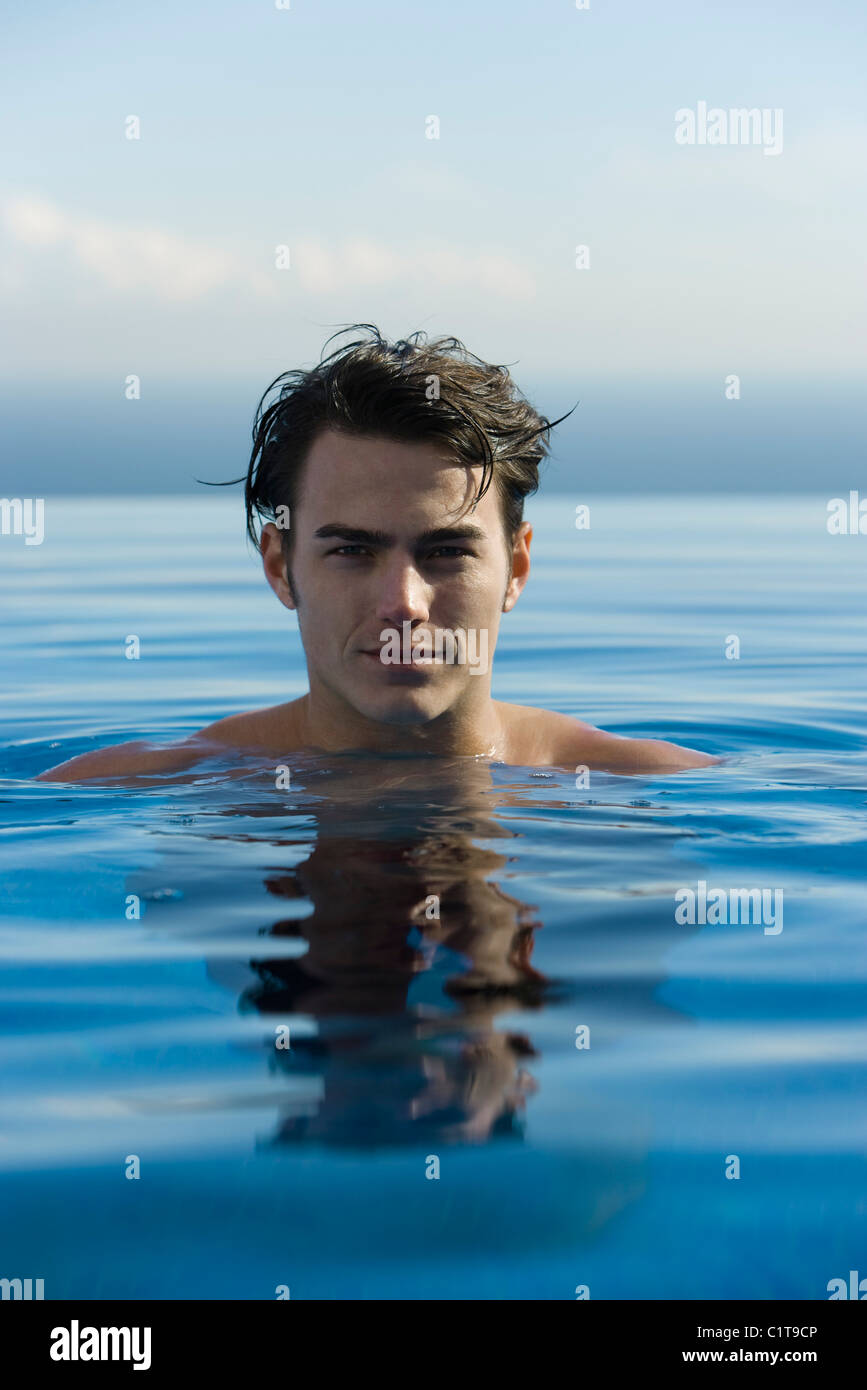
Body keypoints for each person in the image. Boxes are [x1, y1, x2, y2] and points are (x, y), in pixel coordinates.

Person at [38, 325, 717, 783]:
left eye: (446, 551)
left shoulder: (649, 788)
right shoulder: (137, 789)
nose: (403, 604)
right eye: (352, 550)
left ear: (517, 567)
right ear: (279, 565)